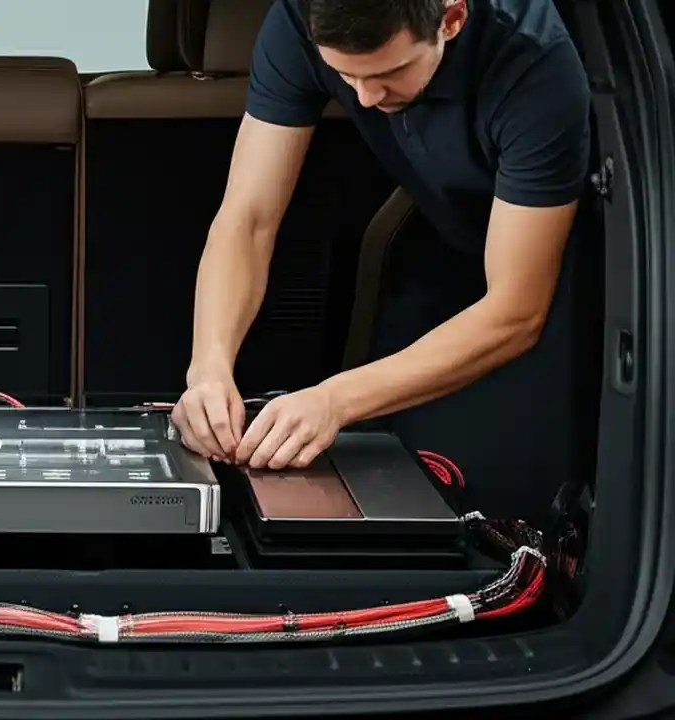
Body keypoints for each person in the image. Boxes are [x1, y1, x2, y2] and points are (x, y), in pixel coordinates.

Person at [172, 0, 593, 518]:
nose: (366, 98)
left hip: (559, 262)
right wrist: (209, 366)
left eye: (390, 73)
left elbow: (517, 310)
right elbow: (249, 217)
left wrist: (334, 401)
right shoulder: (301, 20)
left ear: (452, 18)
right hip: (445, 242)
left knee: (513, 488)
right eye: (344, 75)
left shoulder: (535, 65)